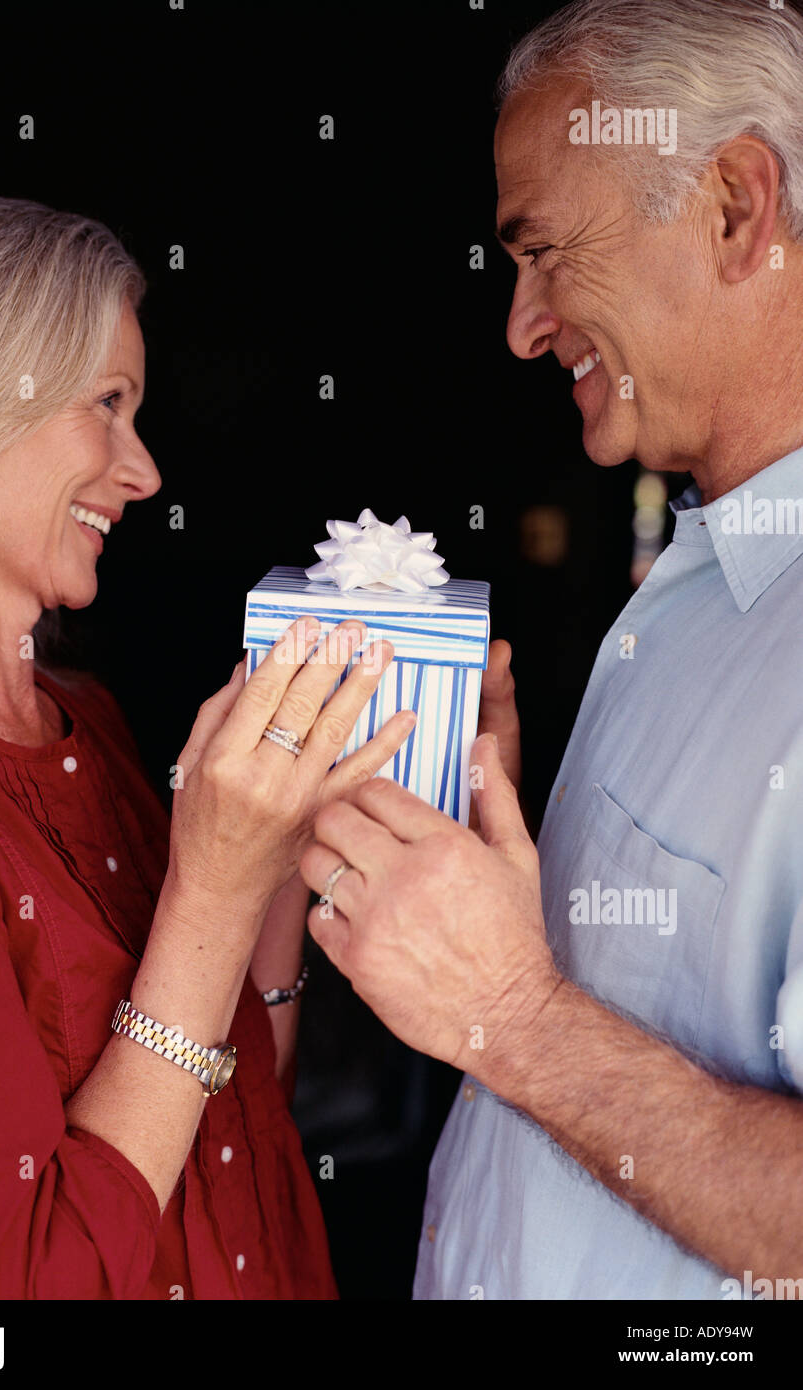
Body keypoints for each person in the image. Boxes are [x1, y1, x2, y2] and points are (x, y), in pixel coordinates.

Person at [299, 0, 803, 1299]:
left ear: (737, 208)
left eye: (545, 253)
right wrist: (495, 836)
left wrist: (512, 1018)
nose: (523, 326)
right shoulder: (698, 578)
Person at [0, 194, 416, 1299]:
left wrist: (274, 856)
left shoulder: (86, 717)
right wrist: (209, 884)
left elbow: (235, 1095)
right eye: (106, 404)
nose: (143, 471)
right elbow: (14, 1285)